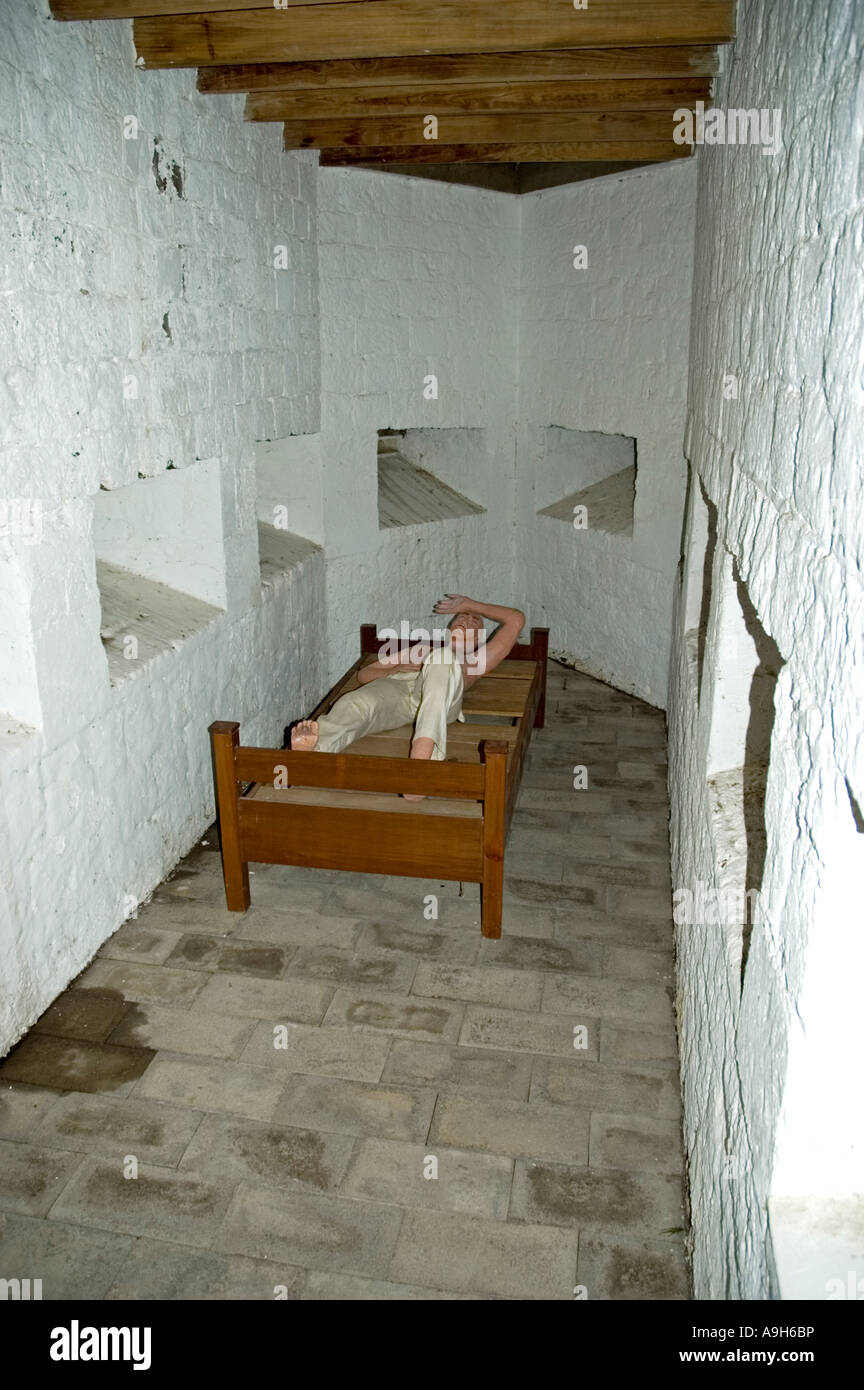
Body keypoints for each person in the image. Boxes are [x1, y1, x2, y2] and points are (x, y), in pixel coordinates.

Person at [290, 594, 525, 799]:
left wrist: (469, 603)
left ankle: (420, 768)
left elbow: (515, 619)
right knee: (356, 702)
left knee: (443, 658)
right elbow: (364, 674)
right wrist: (397, 669)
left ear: (480, 639)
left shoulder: (477, 660)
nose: (467, 619)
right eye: (462, 616)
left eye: (475, 621)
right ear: (449, 628)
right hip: (401, 691)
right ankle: (312, 755)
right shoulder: (421, 650)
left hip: (442, 700)